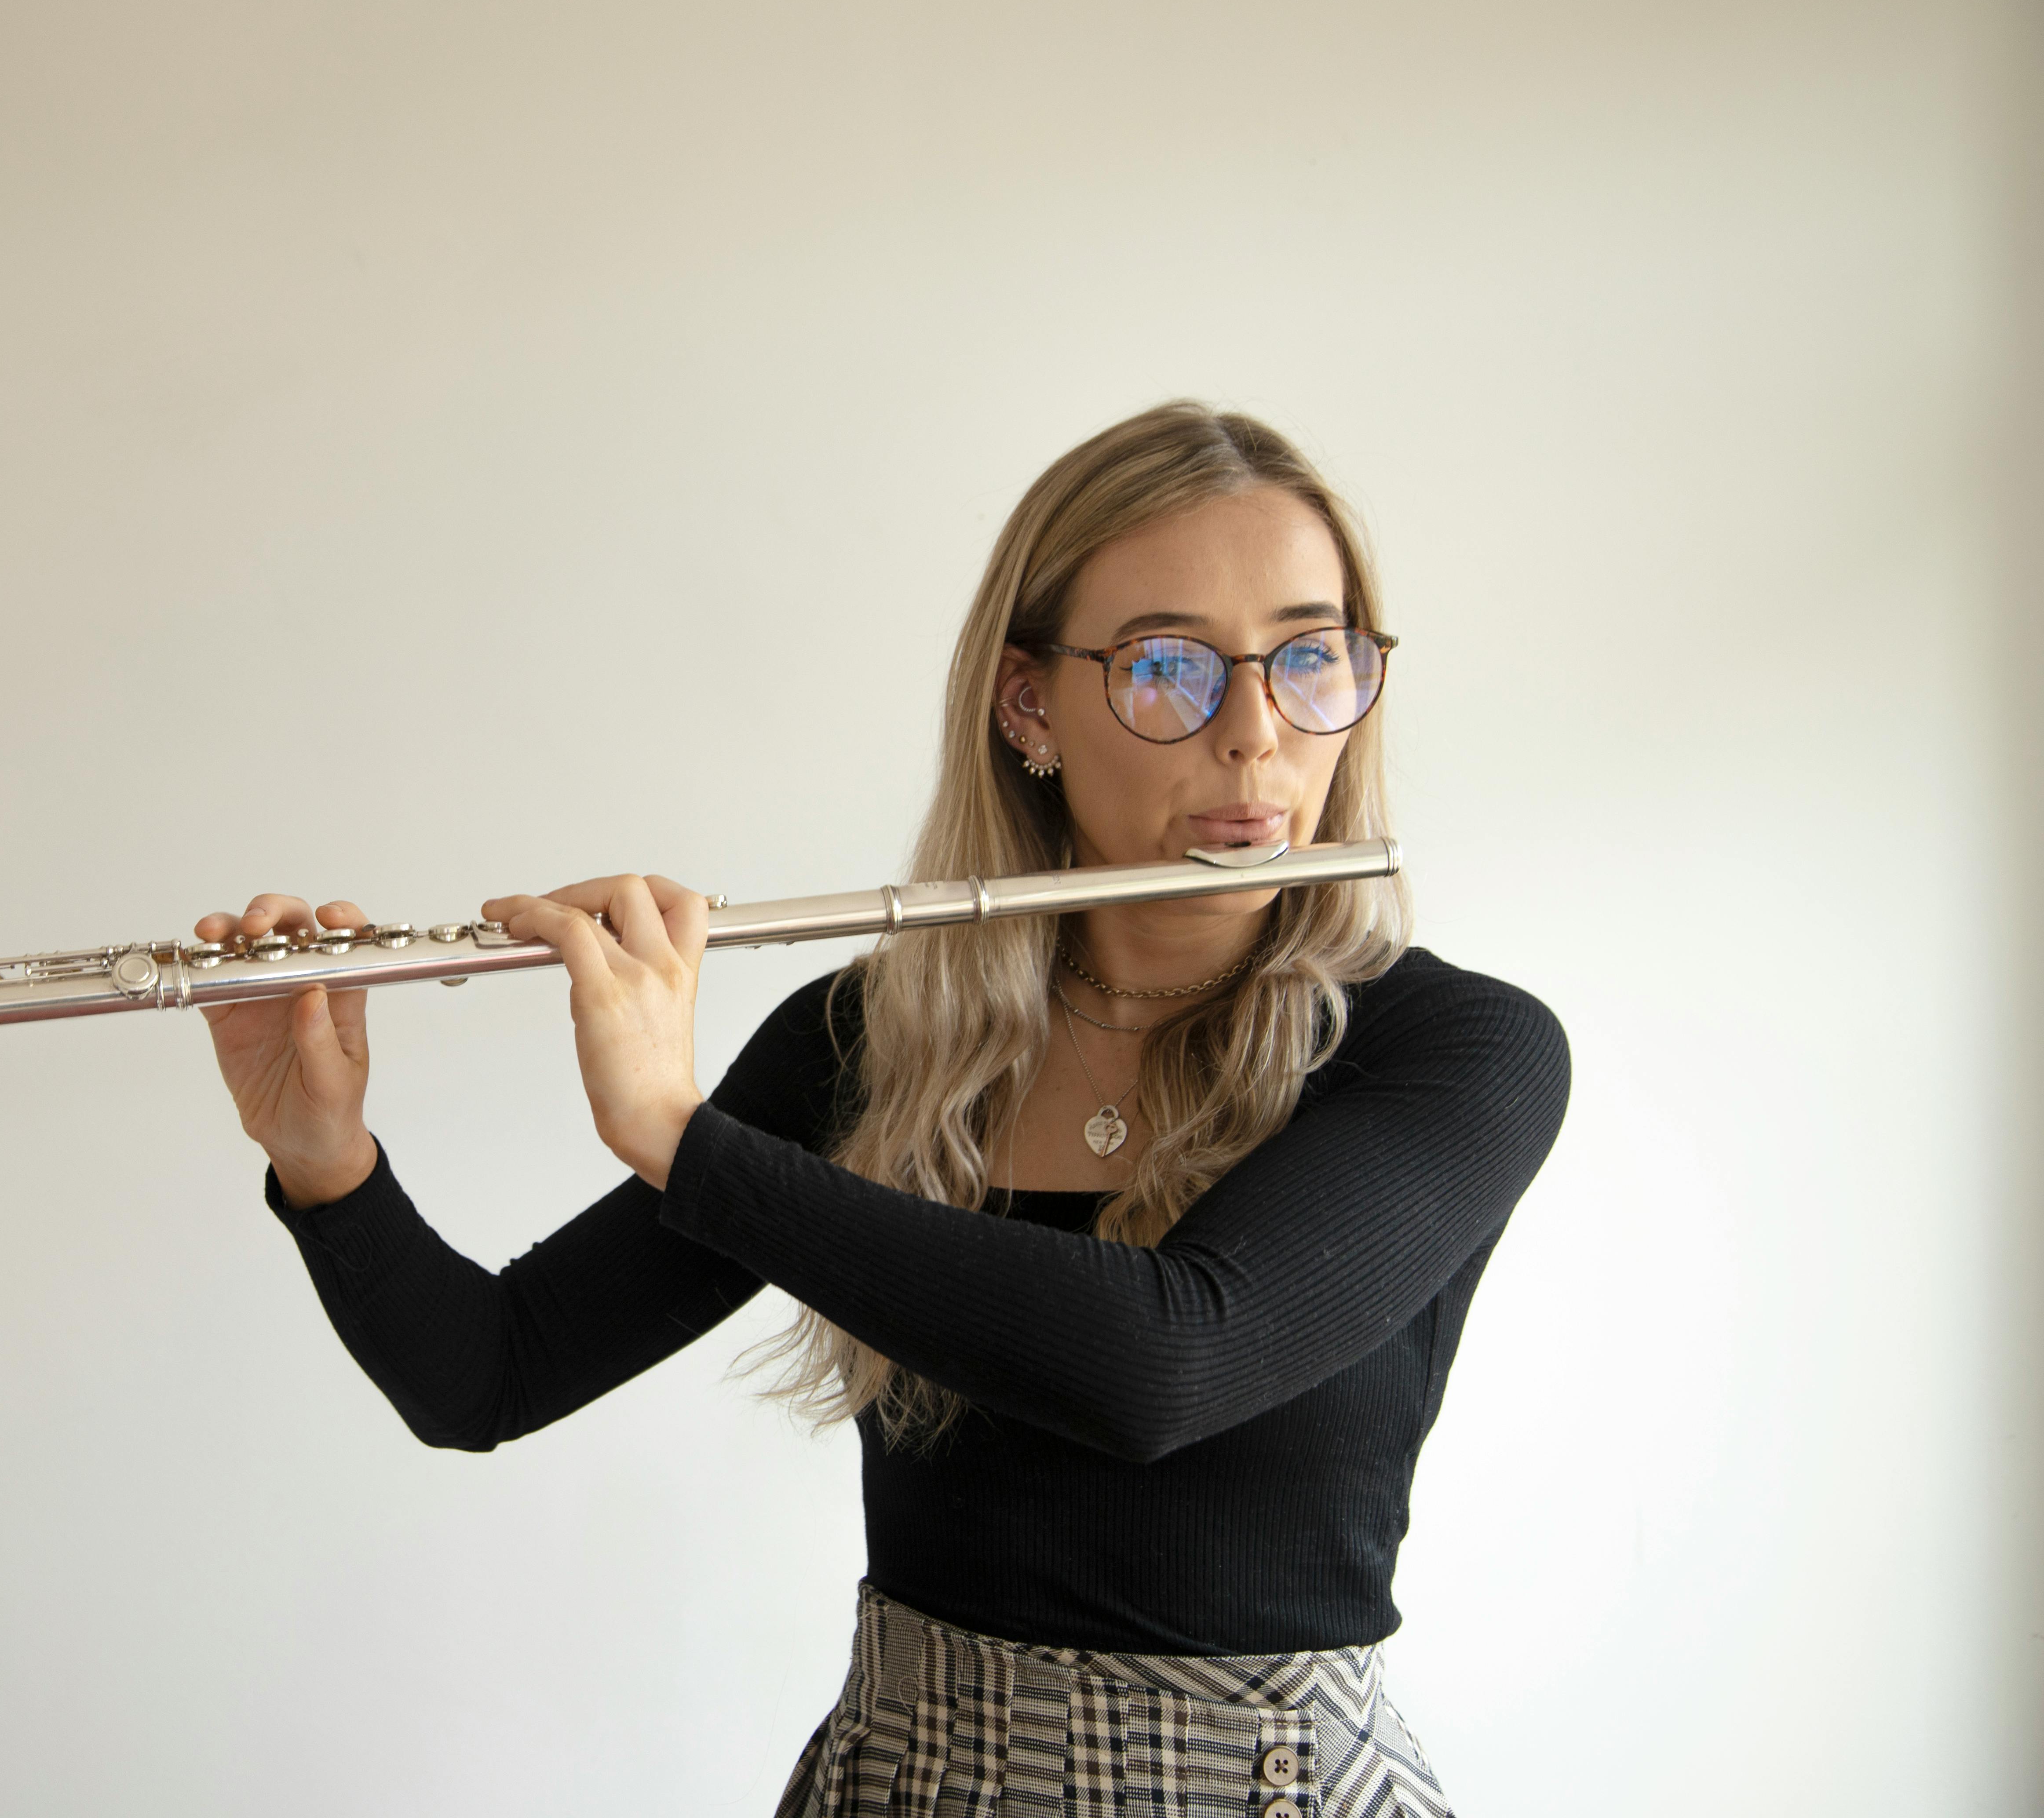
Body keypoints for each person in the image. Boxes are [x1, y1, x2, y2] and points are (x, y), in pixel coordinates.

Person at [192, 401, 1569, 1818]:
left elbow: (1163, 1368)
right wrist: (325, 1158)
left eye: (1308, 657)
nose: (1256, 737)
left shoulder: (1458, 1051)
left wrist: (683, 1136)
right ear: (1028, 702)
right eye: (1169, 667)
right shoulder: (876, 1040)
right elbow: (484, 1375)